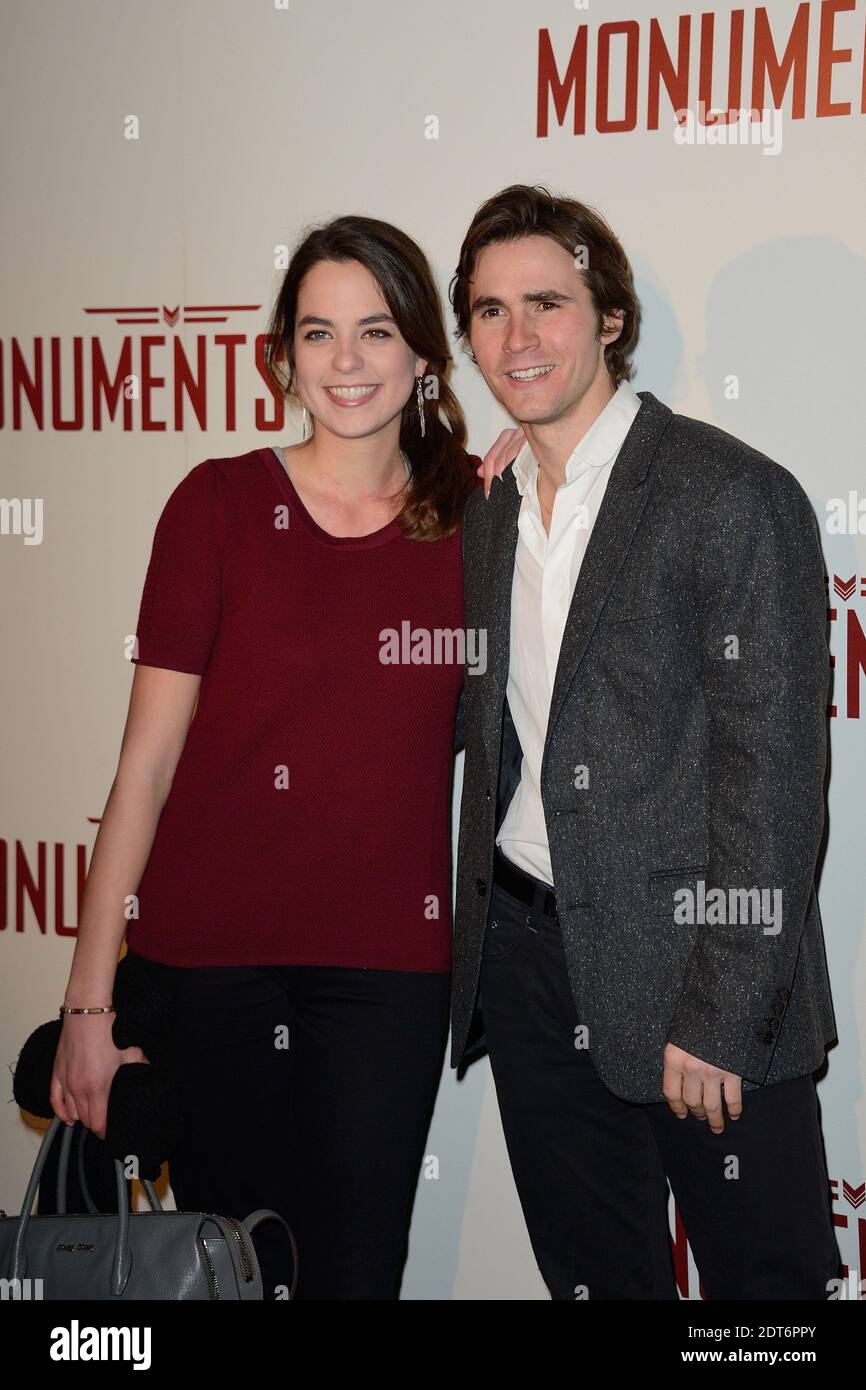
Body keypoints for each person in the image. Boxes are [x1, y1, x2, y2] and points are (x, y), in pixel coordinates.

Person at [50, 214, 506, 1300]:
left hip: (387, 976)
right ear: (282, 355)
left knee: (352, 1277)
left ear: (422, 357)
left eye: (376, 331)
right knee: (226, 1276)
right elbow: (145, 770)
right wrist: (87, 1004)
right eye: (317, 332)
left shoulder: (479, 525)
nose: (346, 361)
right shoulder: (213, 506)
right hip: (210, 971)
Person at [449, 183, 841, 1300]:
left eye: (546, 304)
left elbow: (771, 781)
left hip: (699, 976)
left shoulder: (730, 494)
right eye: (486, 311)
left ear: (607, 317)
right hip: (530, 962)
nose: (517, 338)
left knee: (766, 1297)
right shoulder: (489, 505)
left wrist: (721, 1016)